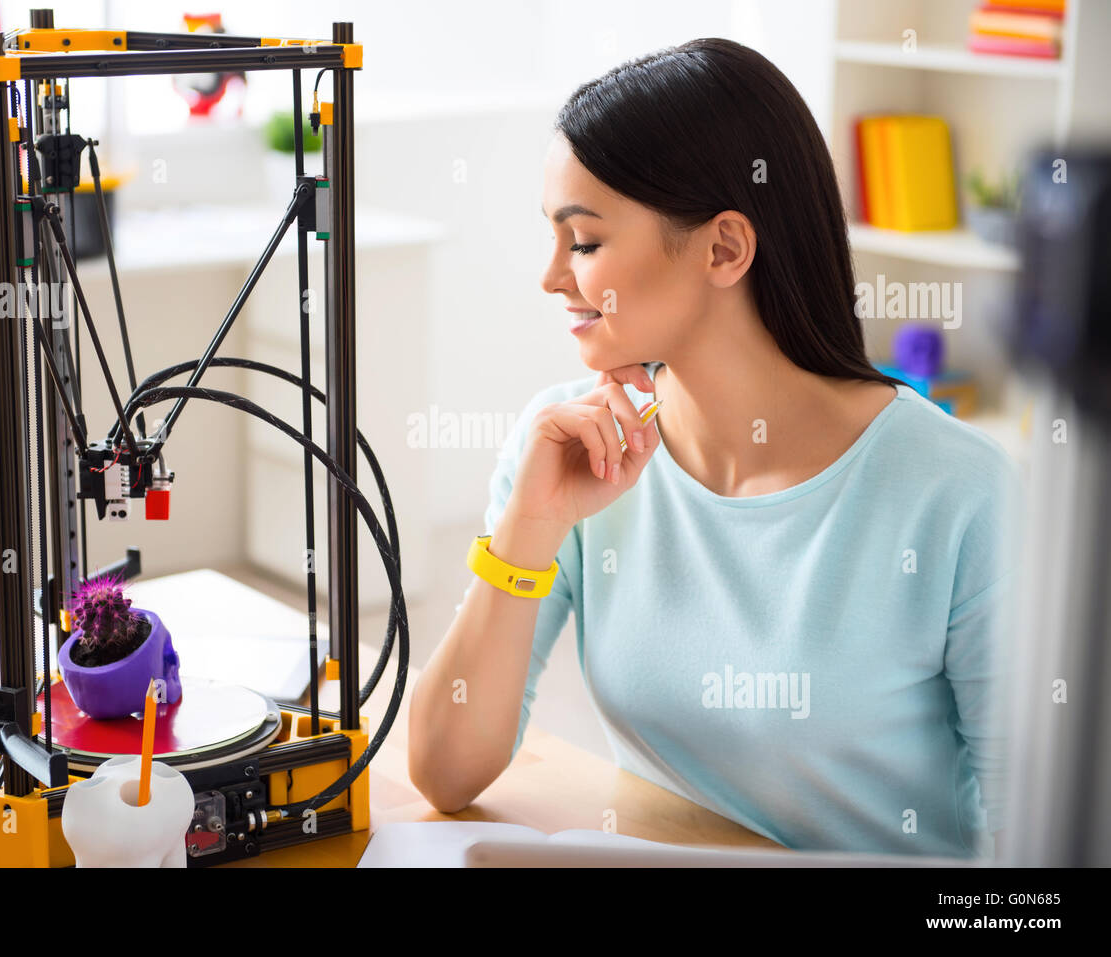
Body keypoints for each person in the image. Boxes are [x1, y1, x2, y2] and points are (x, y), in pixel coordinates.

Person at [407, 38, 1023, 858]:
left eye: (583, 242)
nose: (553, 276)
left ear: (725, 248)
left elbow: (1044, 851)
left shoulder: (961, 491)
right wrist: (529, 526)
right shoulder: (571, 444)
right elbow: (445, 772)